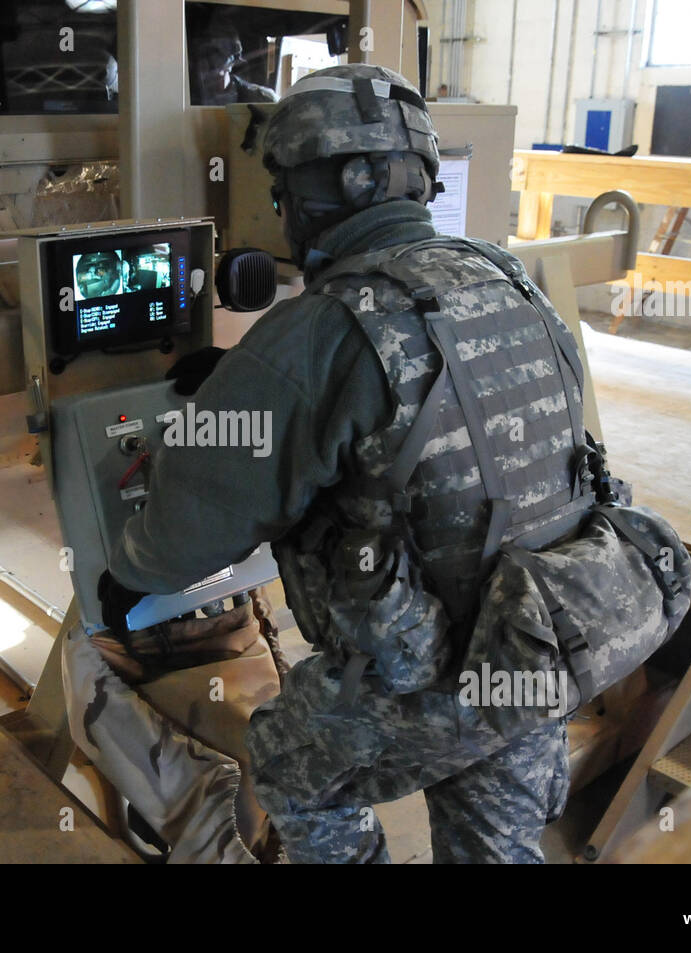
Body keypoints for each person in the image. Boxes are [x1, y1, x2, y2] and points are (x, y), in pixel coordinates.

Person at [101, 63, 582, 863]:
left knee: (292, 766)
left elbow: (196, 521)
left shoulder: (319, 328)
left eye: (286, 193)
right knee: (498, 847)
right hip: (542, 648)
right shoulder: (507, 276)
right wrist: (250, 379)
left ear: (325, 193)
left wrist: (133, 571)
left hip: (424, 673)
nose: (282, 212)